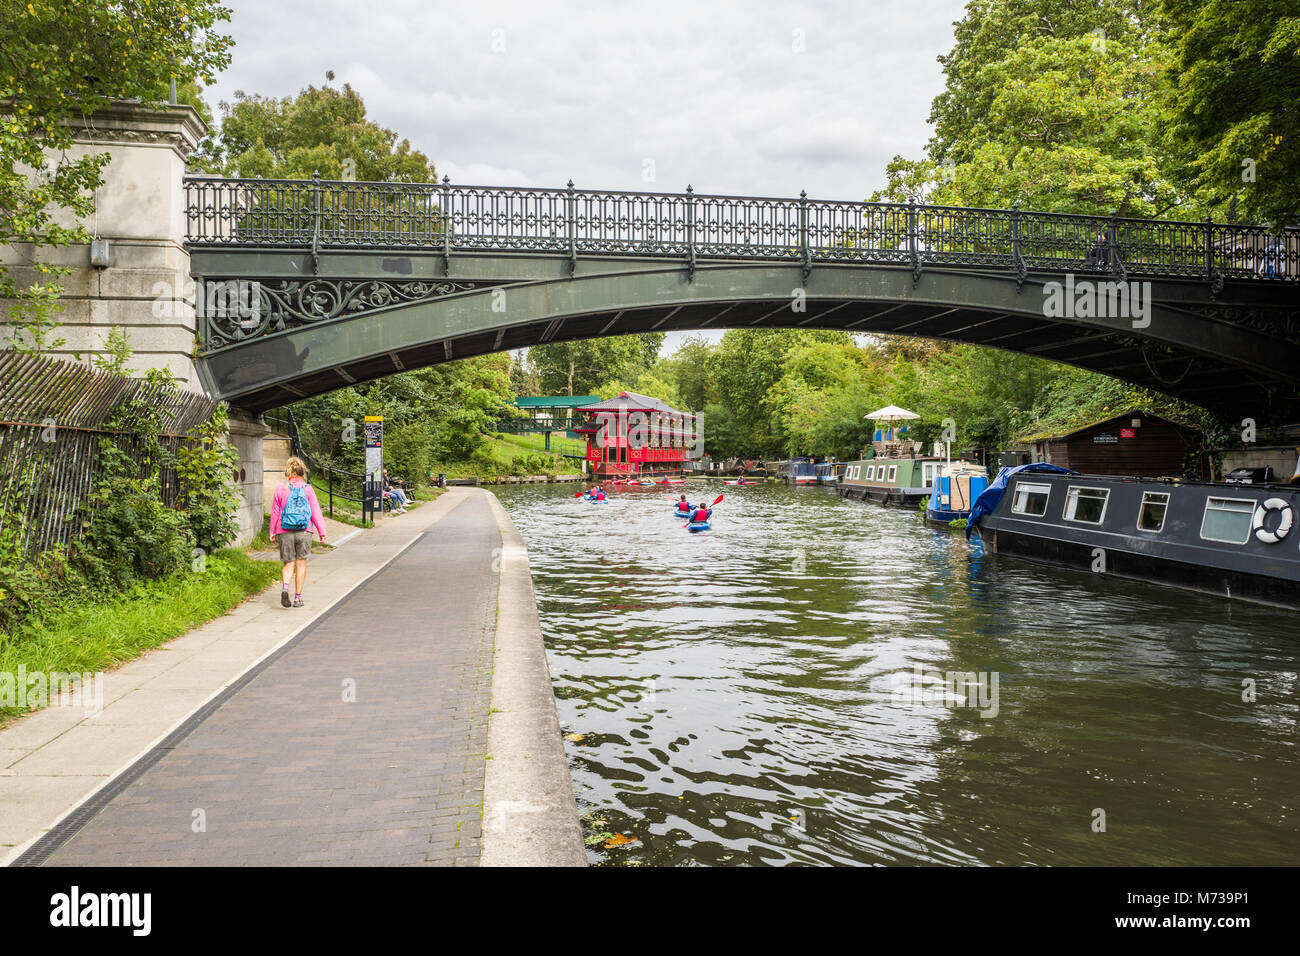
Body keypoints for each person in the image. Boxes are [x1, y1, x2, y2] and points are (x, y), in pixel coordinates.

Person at [270, 457, 327, 608]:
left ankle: (285, 588)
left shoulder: (280, 488)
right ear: (302, 471)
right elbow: (315, 511)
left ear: (288, 471)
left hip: (284, 530)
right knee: (301, 565)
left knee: (288, 563)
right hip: (304, 530)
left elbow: (275, 511)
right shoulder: (308, 489)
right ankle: (297, 599)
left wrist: (272, 531)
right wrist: (322, 531)